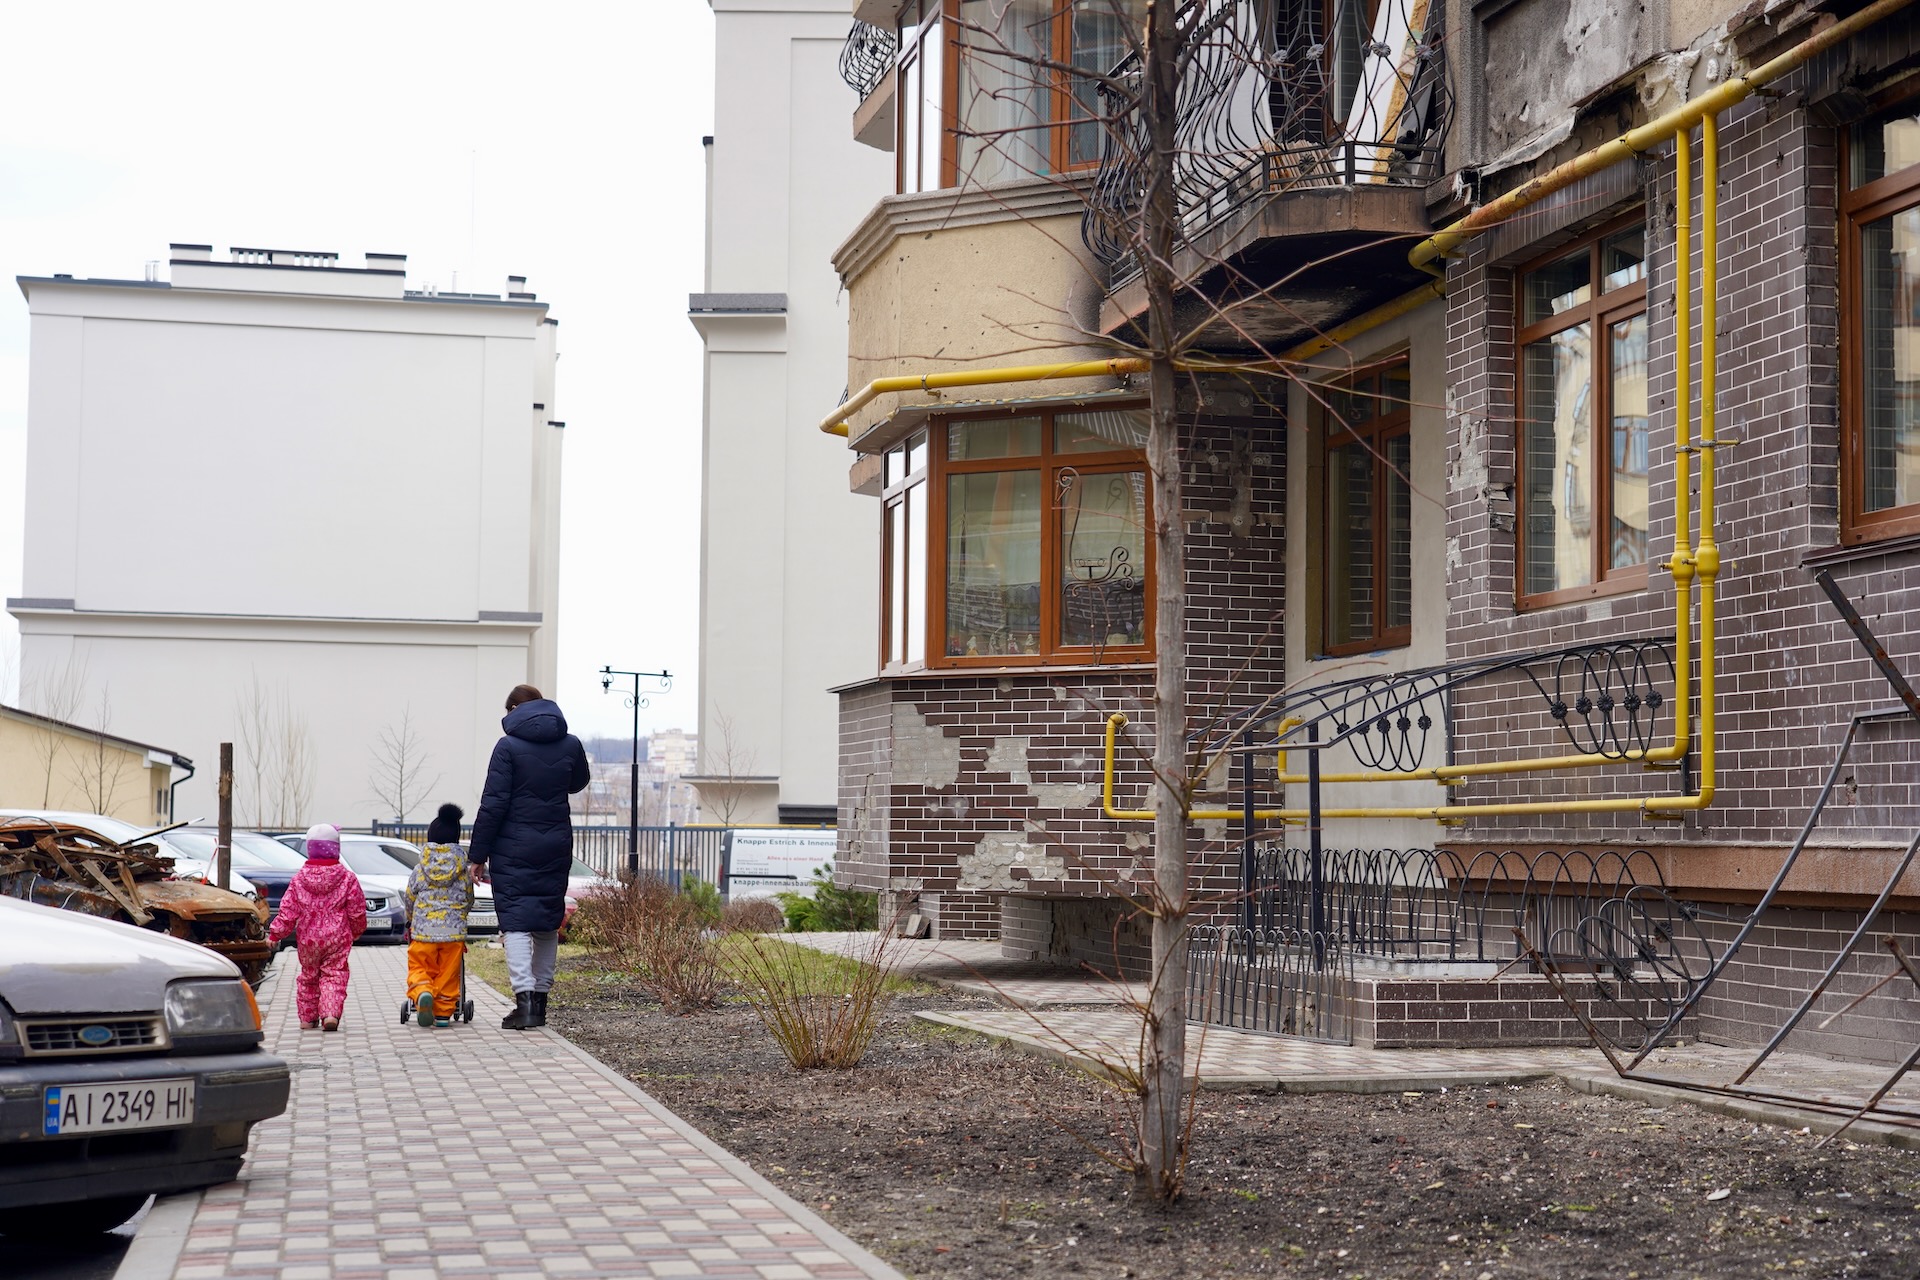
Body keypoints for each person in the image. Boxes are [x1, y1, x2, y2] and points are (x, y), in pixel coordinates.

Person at [468, 684, 589, 1030]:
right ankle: (540, 1005)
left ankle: (523, 1003)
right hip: (555, 843)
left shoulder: (507, 746)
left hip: (514, 846)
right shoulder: (571, 743)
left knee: (518, 923)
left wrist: (478, 855)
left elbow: (493, 804)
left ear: (513, 710)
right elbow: (577, 782)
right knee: (547, 922)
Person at [267, 823, 368, 1031]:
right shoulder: (347, 878)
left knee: (308, 977)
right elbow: (357, 910)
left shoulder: (299, 879)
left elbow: (288, 911)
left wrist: (275, 934)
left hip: (308, 939)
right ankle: (330, 1014)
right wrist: (357, 931)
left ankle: (307, 1018)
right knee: (334, 974)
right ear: (336, 849)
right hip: (337, 938)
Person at [401, 803, 474, 1028]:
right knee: (448, 974)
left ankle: (423, 991)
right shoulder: (462, 870)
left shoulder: (419, 869)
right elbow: (468, 899)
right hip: (453, 933)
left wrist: (410, 919)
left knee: (420, 967)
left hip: (423, 931)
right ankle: (443, 1014)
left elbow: (410, 897)